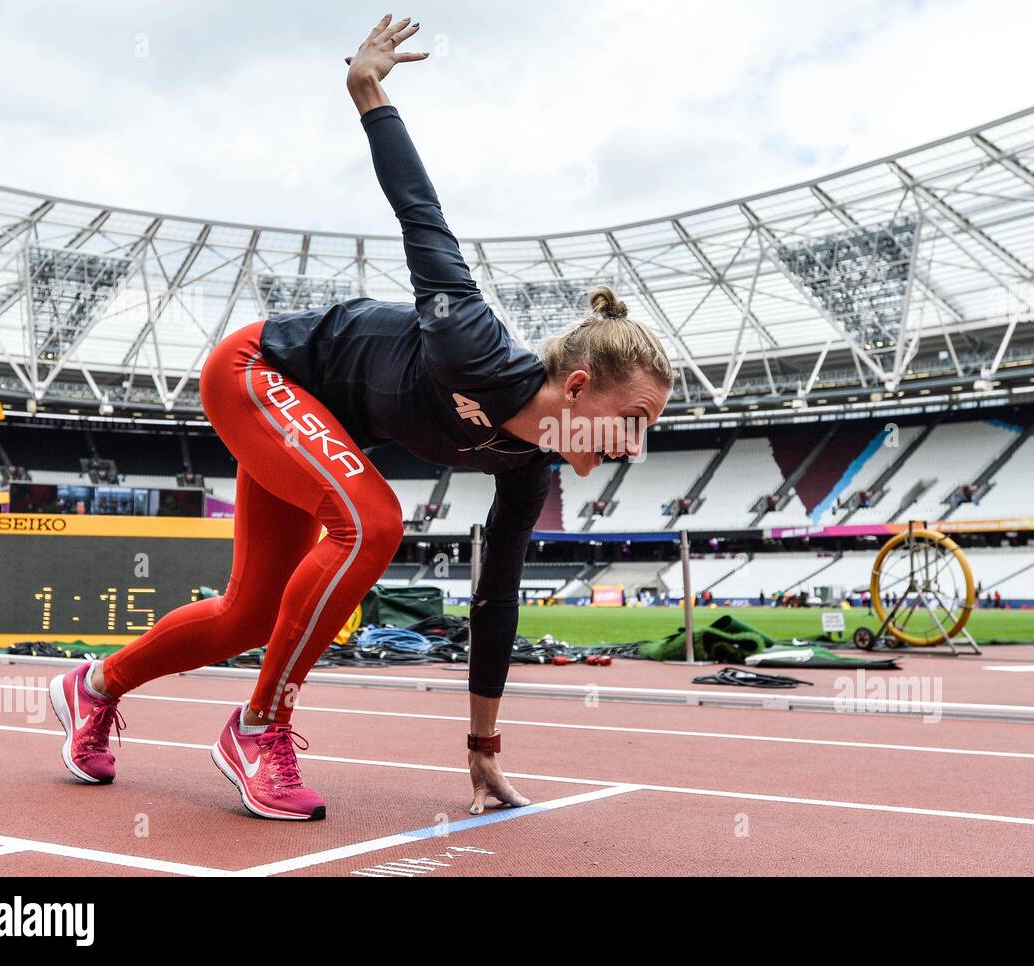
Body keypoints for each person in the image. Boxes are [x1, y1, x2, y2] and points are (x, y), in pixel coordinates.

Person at [46, 17, 674, 821]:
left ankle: (92, 686)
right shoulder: (471, 342)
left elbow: (498, 598)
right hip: (257, 372)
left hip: (307, 428)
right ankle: (258, 727)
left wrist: (482, 749)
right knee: (371, 520)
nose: (638, 445)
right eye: (635, 420)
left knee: (247, 616)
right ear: (579, 387)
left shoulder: (528, 466)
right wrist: (368, 90)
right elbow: (423, 215)